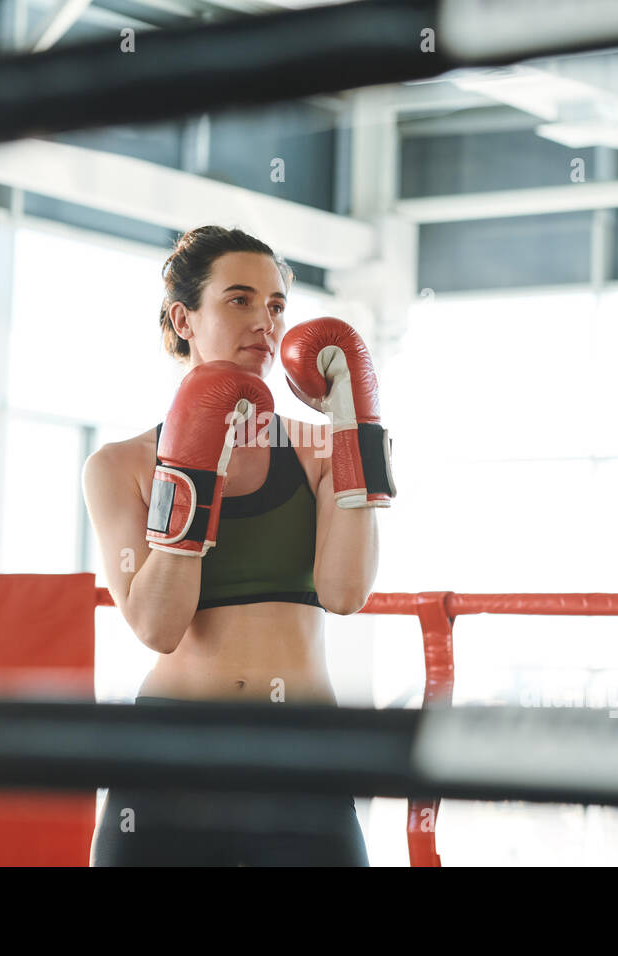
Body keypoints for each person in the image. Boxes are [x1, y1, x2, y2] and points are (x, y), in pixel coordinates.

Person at [82, 225, 395, 866]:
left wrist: (353, 430)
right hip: (170, 755)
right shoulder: (121, 465)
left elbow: (344, 593)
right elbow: (158, 626)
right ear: (184, 318)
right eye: (240, 300)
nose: (265, 322)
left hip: (302, 755)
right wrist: (194, 466)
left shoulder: (317, 451)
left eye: (277, 305)